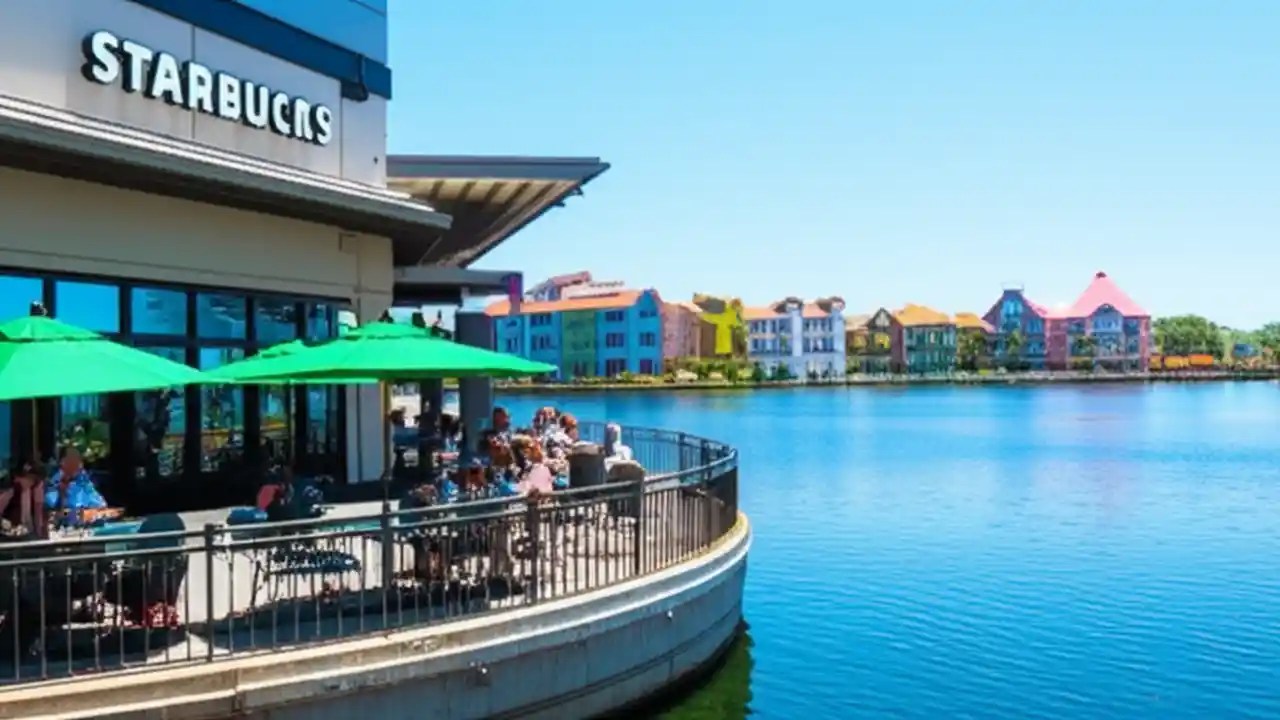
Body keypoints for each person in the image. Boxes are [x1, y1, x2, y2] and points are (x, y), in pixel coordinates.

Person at [0, 459, 45, 537]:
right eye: (29, 478)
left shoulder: (35, 490)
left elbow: (38, 513)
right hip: (10, 533)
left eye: (34, 480)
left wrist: (39, 533)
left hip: (28, 532)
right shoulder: (12, 491)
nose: (31, 482)